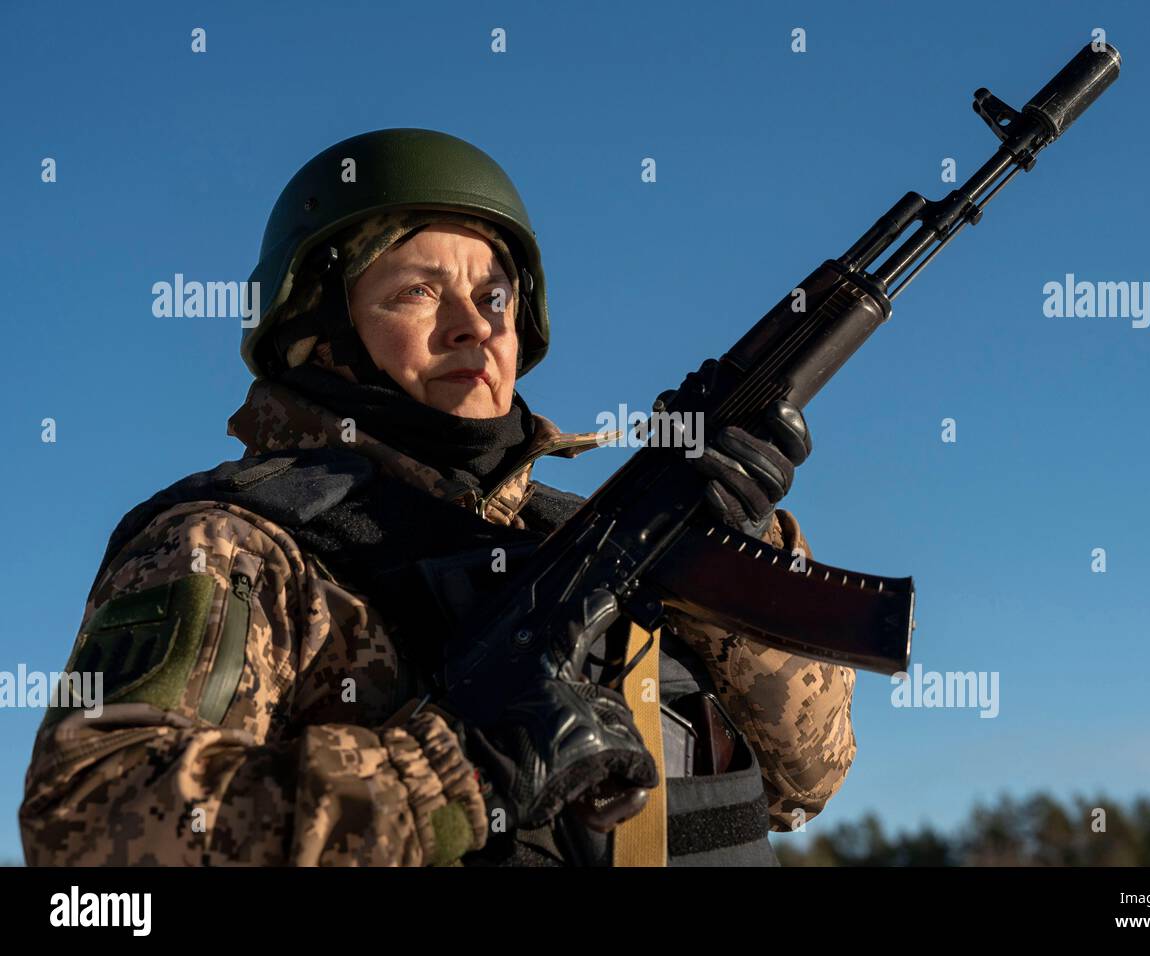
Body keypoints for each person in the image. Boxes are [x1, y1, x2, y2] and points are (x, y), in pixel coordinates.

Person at [20, 128, 857, 866]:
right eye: (417, 291)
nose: (473, 325)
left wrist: (733, 544)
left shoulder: (586, 536)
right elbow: (93, 827)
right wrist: (452, 773)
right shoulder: (239, 544)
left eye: (493, 296)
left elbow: (802, 782)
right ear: (321, 331)